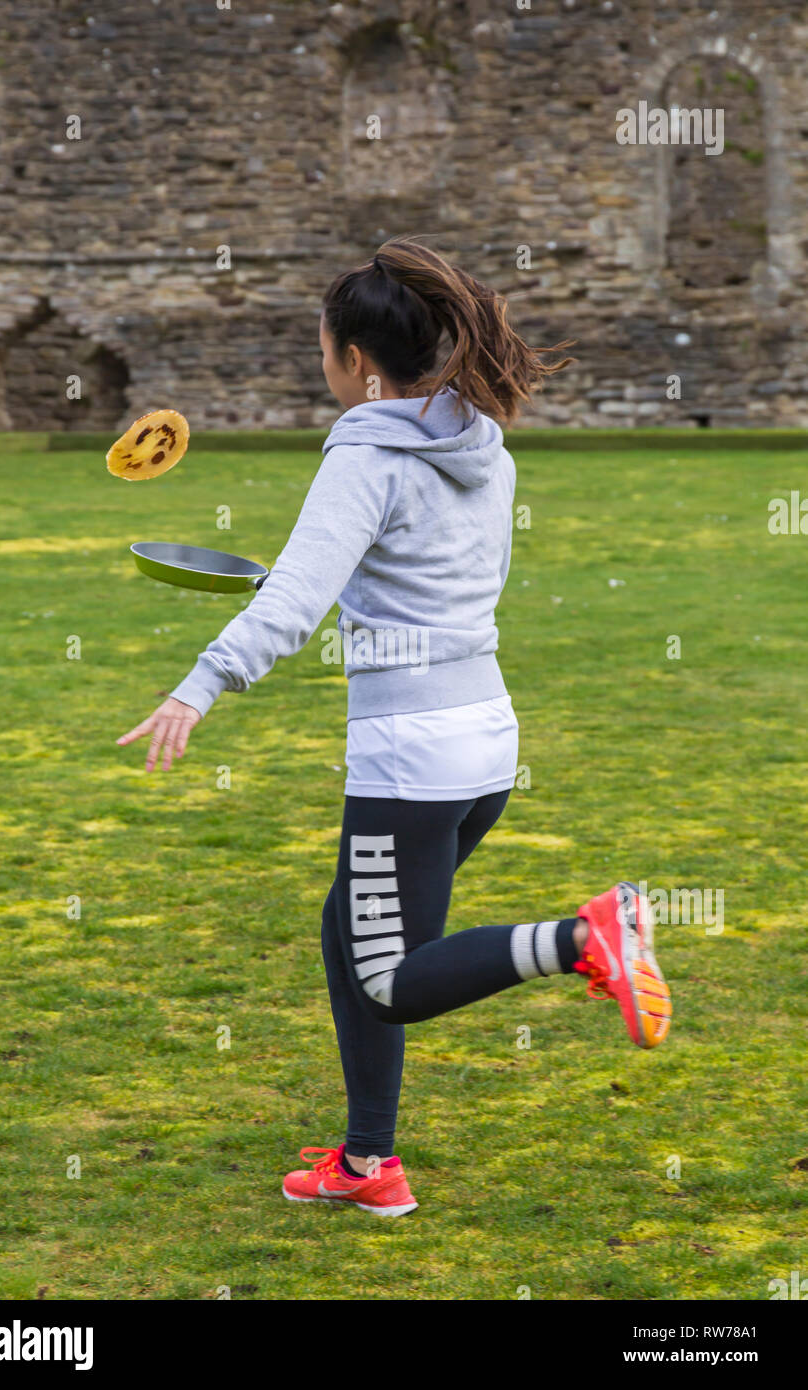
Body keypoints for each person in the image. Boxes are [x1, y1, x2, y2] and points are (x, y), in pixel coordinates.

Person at [118, 238, 672, 1218]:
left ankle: (583, 938)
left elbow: (294, 597)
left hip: (408, 762)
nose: (322, 366)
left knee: (387, 979)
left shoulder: (363, 453)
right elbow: (418, 578)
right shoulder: (478, 441)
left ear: (359, 365)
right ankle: (367, 1163)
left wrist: (197, 685)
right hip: (483, 745)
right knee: (347, 930)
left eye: (324, 351)